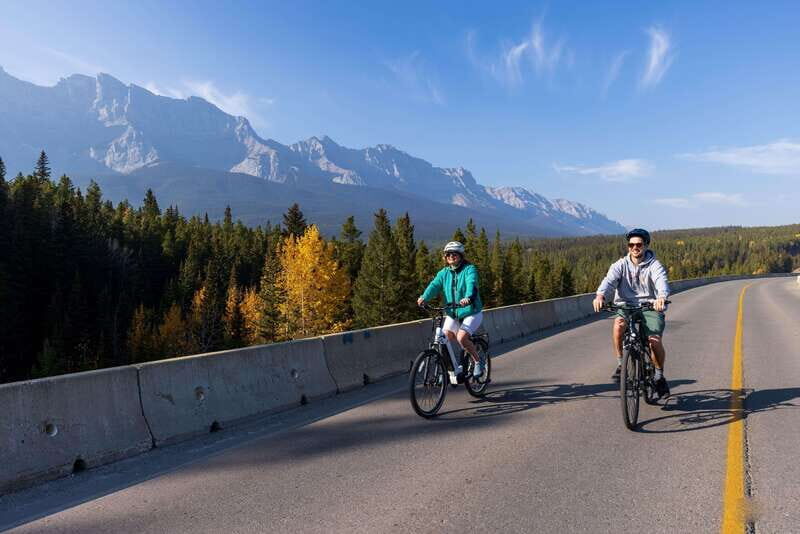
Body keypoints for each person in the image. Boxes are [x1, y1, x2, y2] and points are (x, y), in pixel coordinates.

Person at [592, 229, 671, 397]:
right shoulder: (620, 264)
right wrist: (600, 295)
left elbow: (661, 282)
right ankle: (622, 363)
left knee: (654, 341)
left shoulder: (654, 265)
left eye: (639, 244)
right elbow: (609, 281)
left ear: (646, 245)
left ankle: (659, 375)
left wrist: (661, 297)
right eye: (631, 245)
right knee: (618, 325)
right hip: (626, 305)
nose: (635, 247)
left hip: (650, 306)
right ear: (628, 247)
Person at [417, 241, 485, 378]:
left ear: (460, 255)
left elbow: (471, 283)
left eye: (454, 254)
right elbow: (434, 285)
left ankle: (478, 361)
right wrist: (424, 297)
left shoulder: (469, 269)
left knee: (461, 338)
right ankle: (448, 370)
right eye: (448, 254)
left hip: (471, 311)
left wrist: (468, 298)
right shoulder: (444, 273)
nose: (451, 256)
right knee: (444, 339)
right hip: (452, 312)